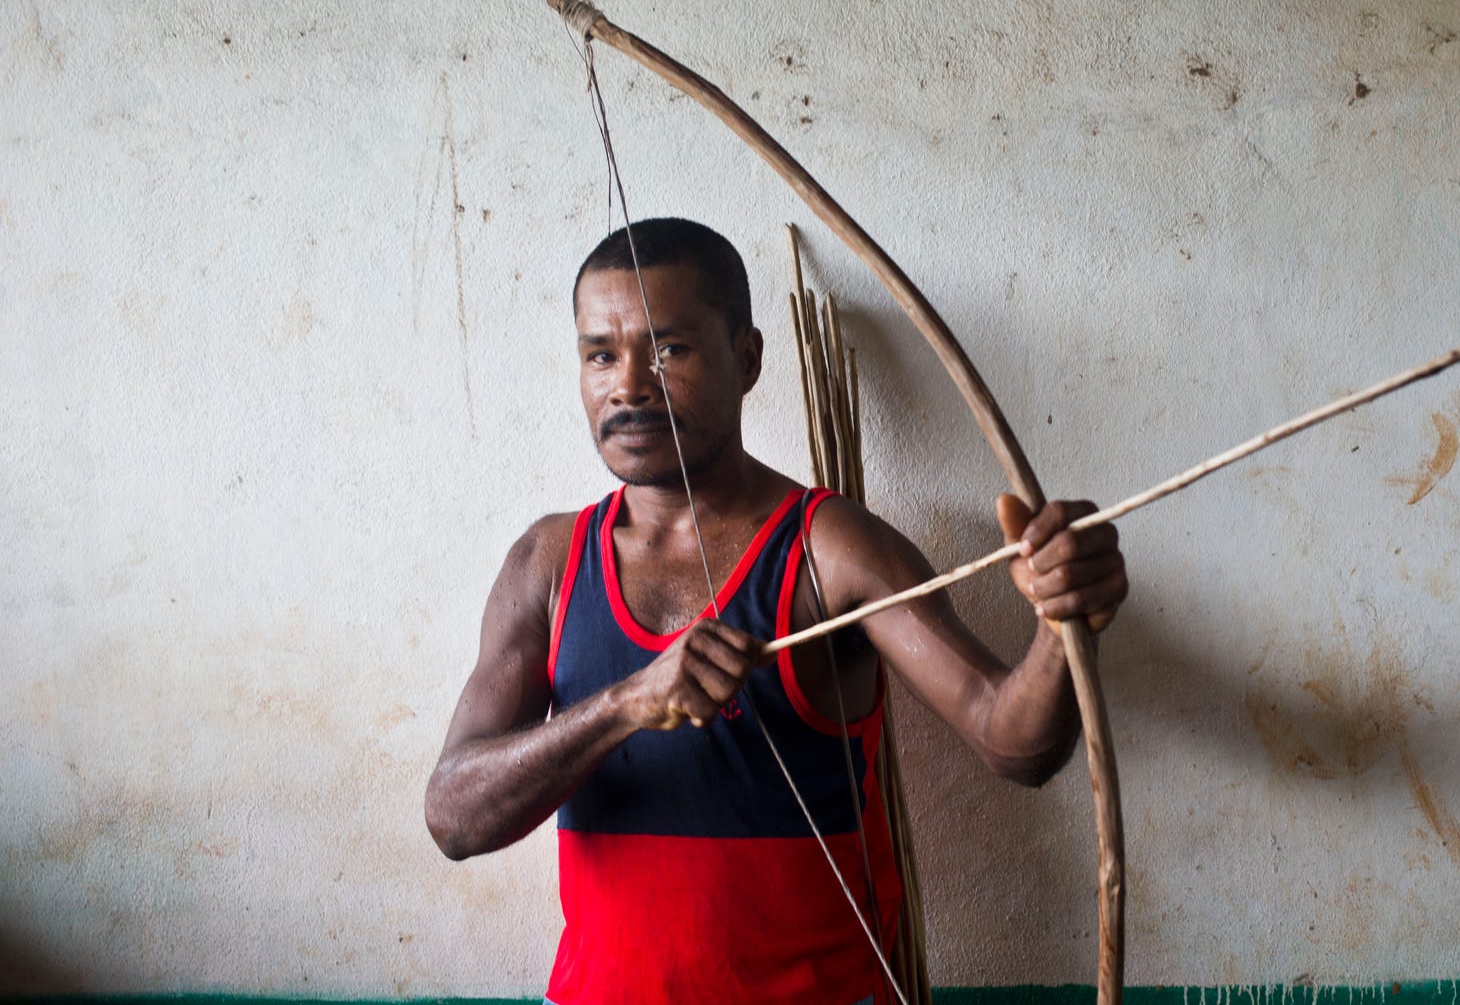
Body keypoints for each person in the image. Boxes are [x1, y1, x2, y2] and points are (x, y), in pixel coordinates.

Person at [423, 218, 1128, 1005]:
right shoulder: (548, 562)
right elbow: (454, 817)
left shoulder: (831, 549)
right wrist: (625, 704)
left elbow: (1013, 742)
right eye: (600, 354)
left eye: (669, 349)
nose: (628, 384)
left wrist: (1059, 629)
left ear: (747, 359)